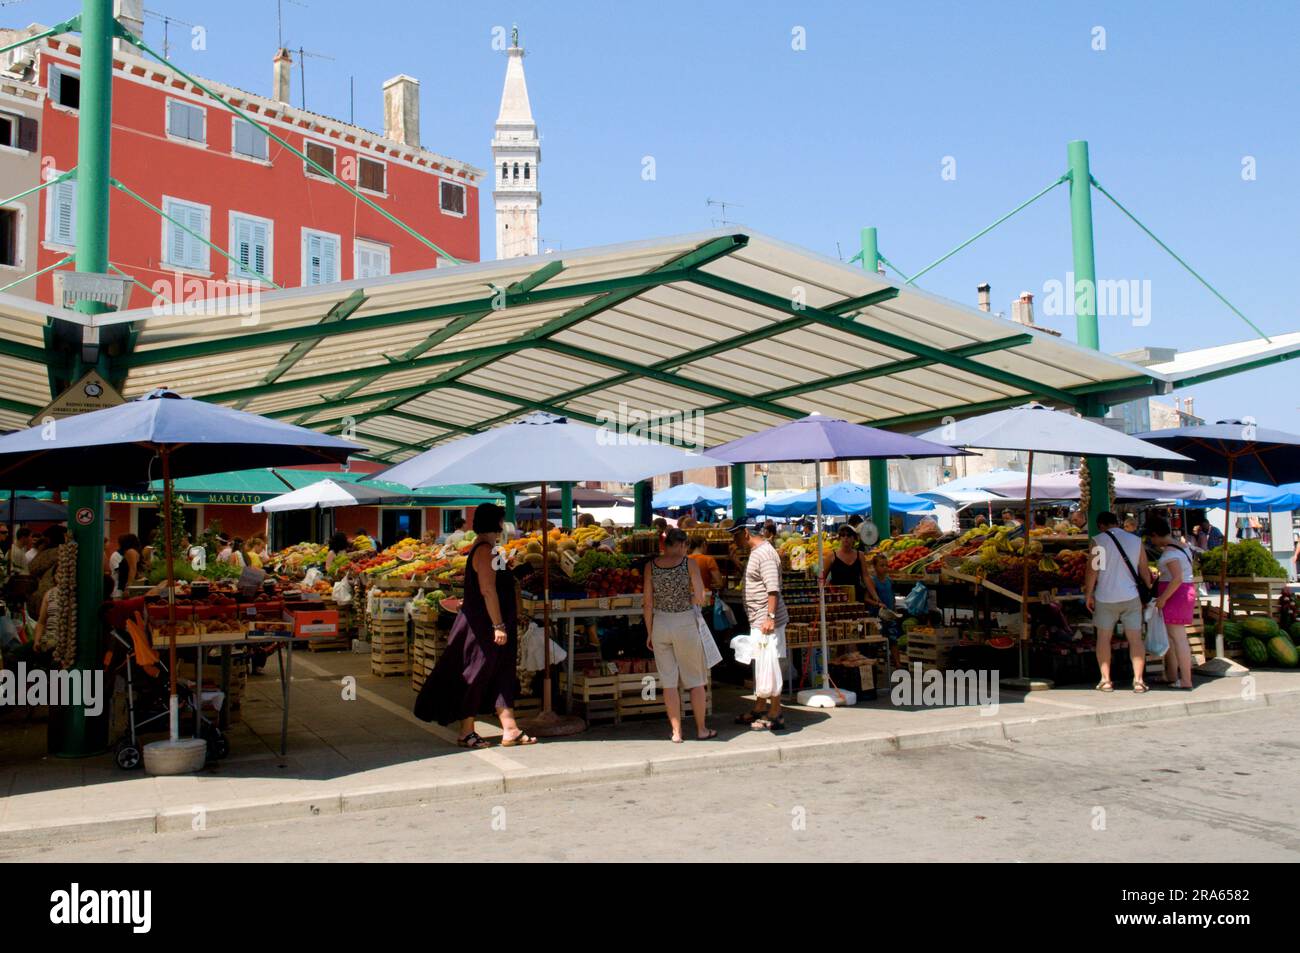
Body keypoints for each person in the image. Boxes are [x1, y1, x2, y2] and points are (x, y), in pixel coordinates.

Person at [414, 503, 536, 748]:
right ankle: (466, 730)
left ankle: (510, 728)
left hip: (495, 622)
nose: (503, 525)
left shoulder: (494, 551)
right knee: (477, 674)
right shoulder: (484, 551)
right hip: (484, 626)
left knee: (502, 672)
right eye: (501, 521)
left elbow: (506, 580)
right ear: (495, 522)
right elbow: (488, 590)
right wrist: (498, 625)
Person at [643, 528, 714, 743]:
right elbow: (701, 597)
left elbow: (647, 603)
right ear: (683, 545)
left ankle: (676, 732)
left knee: (669, 682)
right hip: (684, 623)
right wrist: (689, 598)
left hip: (660, 624)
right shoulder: (689, 563)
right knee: (696, 680)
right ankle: (701, 729)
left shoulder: (651, 566)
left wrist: (649, 632)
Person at [728, 522, 787, 730]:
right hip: (759, 618)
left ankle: (775, 712)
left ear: (745, 533)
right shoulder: (757, 552)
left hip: (766, 619)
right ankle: (760, 707)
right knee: (763, 664)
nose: (734, 541)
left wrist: (769, 616)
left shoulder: (765, 554)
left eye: (735, 537)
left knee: (770, 664)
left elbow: (773, 588)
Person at [1085, 511, 1151, 693]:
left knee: (1103, 639)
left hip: (1105, 597)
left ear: (1100, 526)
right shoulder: (1135, 540)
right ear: (1117, 523)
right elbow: (1144, 570)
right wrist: (1148, 592)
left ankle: (1105, 680)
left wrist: (1088, 594)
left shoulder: (1099, 541)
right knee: (1135, 639)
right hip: (1131, 596)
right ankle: (1138, 680)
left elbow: (1093, 571)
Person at [1148, 515, 1195, 690]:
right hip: (1181, 593)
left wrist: (1162, 599)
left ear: (1155, 534)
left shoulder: (1170, 553)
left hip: (1176, 595)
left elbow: (1177, 579)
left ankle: (1186, 680)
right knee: (1174, 638)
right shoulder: (1182, 546)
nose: (1152, 542)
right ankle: (1173, 675)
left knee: (1178, 638)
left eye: (1151, 537)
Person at [864, 553, 900, 666]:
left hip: (889, 615)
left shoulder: (889, 580)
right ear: (875, 567)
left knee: (893, 639)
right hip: (876, 616)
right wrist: (878, 604)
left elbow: (892, 596)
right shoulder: (872, 581)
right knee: (875, 640)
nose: (885, 568)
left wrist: (894, 609)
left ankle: (898, 662)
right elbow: (866, 598)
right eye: (881, 565)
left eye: (886, 565)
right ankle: (873, 662)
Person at [26, 525, 66, 619]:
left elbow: (32, 568)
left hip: (46, 599)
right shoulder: (65, 551)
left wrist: (40, 550)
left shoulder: (52, 552)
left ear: (49, 539)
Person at [822, 525, 868, 603]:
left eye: (849, 535)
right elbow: (822, 577)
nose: (845, 538)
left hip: (856, 596)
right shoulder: (831, 556)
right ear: (840, 538)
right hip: (838, 597)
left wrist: (874, 595)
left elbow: (866, 577)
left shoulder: (860, 555)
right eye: (842, 535)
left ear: (854, 538)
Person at [110, 534, 142, 599]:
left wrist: (128, 588)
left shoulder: (130, 552)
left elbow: (132, 569)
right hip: (123, 587)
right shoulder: (133, 552)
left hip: (124, 588)